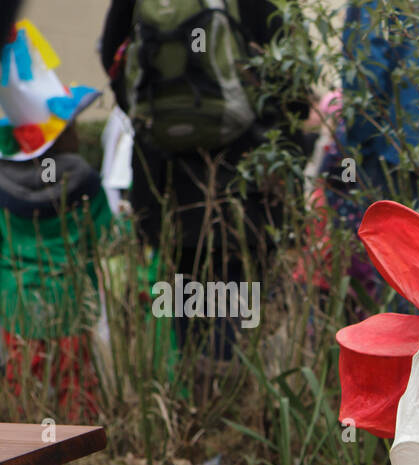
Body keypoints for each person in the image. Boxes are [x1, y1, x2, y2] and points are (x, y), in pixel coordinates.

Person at [99, 0, 310, 368]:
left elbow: (113, 60)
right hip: (247, 182)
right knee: (236, 305)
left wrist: (162, 123)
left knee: (185, 298)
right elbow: (295, 83)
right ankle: (227, 408)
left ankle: (193, 404)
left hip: (165, 184)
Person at [0, 20, 112, 422]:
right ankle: (78, 456)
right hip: (70, 298)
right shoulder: (84, 180)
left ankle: (22, 455)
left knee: (20, 385)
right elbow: (107, 238)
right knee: (76, 384)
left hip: (15, 303)